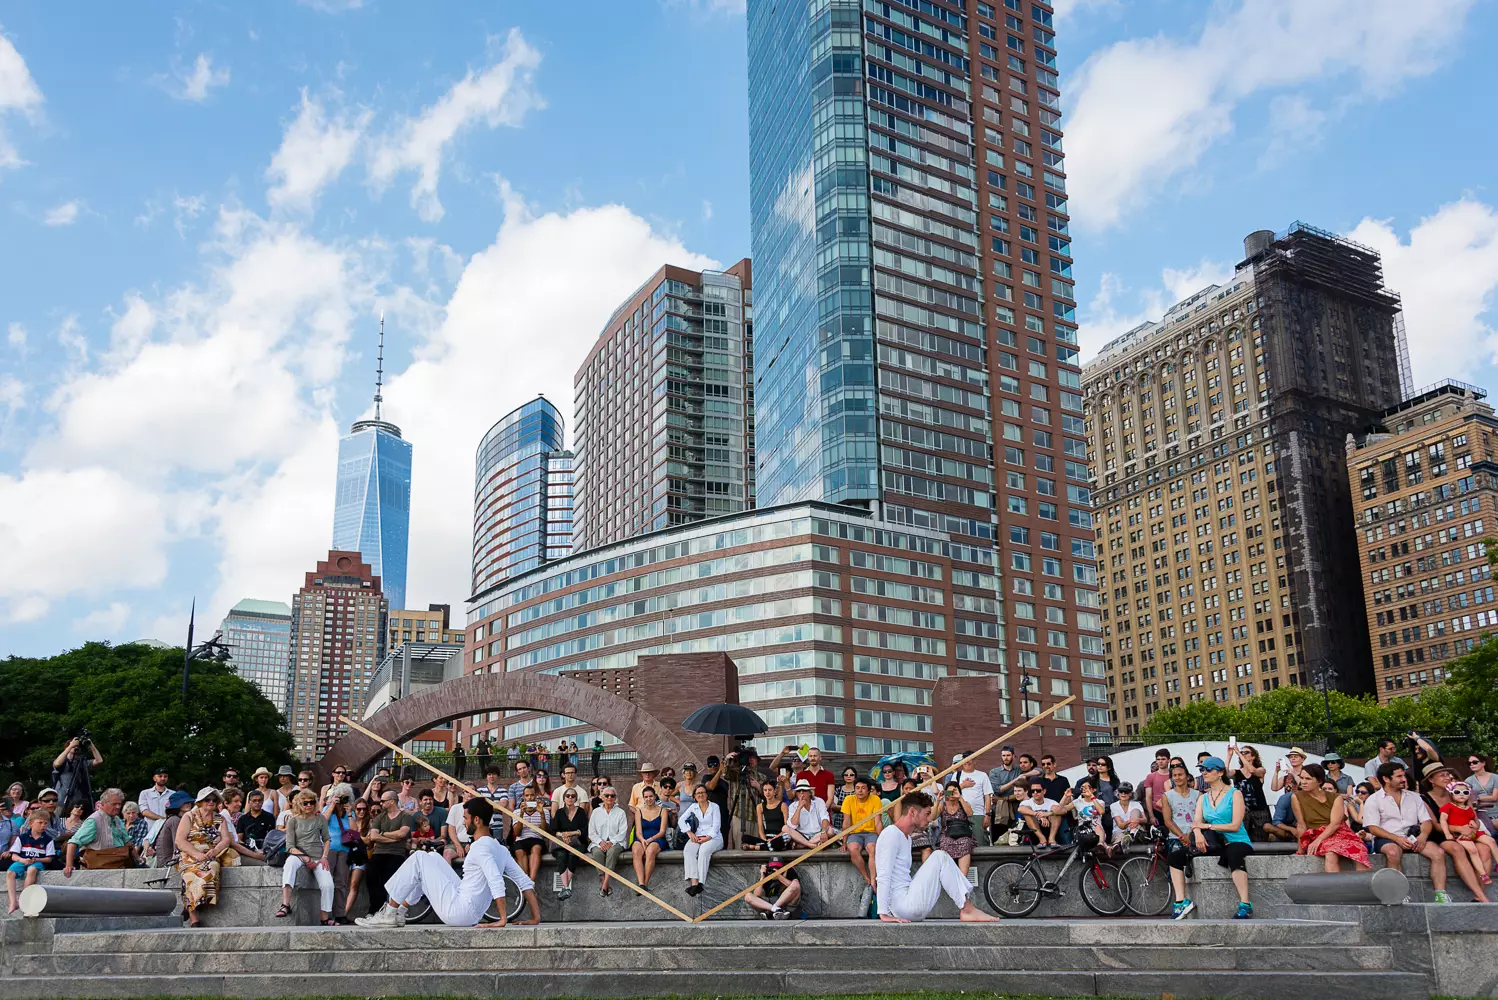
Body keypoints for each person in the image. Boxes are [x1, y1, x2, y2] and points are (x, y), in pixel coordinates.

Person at [356, 796, 539, 927]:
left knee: (419, 857)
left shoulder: (480, 847)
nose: (463, 822)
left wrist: (502, 919)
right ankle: (401, 913)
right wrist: (536, 917)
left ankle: (389, 913)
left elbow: (495, 880)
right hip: (467, 908)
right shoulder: (499, 848)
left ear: (476, 820)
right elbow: (524, 881)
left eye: (465, 819)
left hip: (459, 912)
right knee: (432, 857)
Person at [875, 790, 997, 923]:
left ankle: (967, 907)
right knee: (939, 856)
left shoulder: (906, 838)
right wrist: (884, 913)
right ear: (912, 812)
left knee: (940, 857)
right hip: (904, 906)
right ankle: (967, 909)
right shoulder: (890, 834)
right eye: (927, 814)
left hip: (909, 899)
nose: (930, 819)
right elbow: (883, 875)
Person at [1168, 756, 1254, 920]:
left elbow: (1235, 825)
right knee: (1175, 857)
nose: (1203, 773)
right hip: (1215, 842)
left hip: (1237, 840)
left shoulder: (1234, 794)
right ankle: (1181, 902)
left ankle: (1245, 904)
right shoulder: (1203, 797)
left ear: (1220, 772)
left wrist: (1206, 827)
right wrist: (1198, 833)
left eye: (1208, 769)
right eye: (1201, 770)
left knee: (1234, 854)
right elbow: (1196, 822)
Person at [1363, 763, 1462, 903]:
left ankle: (1440, 894)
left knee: (1438, 853)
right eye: (1399, 776)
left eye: (1404, 775)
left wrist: (1423, 837)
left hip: (1414, 836)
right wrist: (1396, 839)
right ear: (1386, 779)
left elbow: (1426, 821)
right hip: (1388, 837)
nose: (1404, 779)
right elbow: (1372, 828)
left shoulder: (1415, 797)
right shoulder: (1373, 799)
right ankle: (1397, 893)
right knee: (1393, 852)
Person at [1422, 764, 1491, 901]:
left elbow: (1475, 819)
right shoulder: (1425, 799)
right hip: (1443, 835)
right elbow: (1435, 825)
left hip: (1468, 833)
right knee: (1456, 848)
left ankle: (1480, 894)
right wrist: (1458, 829)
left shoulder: (1461, 792)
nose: (1448, 777)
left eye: (1448, 774)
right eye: (1442, 775)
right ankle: (1482, 895)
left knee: (1484, 848)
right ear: (1431, 780)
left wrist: (1471, 828)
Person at [1291, 763, 1370, 873]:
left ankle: (1363, 886)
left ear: (1319, 781)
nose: (1303, 782)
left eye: (1308, 779)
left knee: (1359, 851)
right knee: (1331, 852)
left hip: (1339, 832)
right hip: (1316, 833)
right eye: (1302, 778)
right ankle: (1335, 888)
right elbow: (1301, 824)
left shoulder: (1336, 797)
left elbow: (1335, 824)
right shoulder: (1296, 797)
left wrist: (1319, 840)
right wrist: (1300, 851)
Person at [274, 791, 337, 925]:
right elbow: (290, 846)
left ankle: (324, 917)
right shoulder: (293, 820)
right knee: (289, 865)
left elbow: (327, 839)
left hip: (318, 855)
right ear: (299, 804)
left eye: (312, 802)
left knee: (328, 884)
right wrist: (306, 858)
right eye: (305, 803)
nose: (309, 805)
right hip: (298, 854)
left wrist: (324, 857)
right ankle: (285, 904)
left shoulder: (320, 819)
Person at [176, 788, 235, 927]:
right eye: (208, 799)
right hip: (190, 854)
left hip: (211, 854)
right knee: (190, 875)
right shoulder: (189, 816)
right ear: (200, 802)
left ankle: (189, 904)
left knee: (212, 867)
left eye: (214, 800)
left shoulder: (220, 819)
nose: (211, 802)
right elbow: (180, 840)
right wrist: (196, 854)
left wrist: (215, 850)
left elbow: (226, 839)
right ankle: (193, 916)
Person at [364, 790, 413, 912]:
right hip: (379, 852)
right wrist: (392, 838)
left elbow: (402, 833)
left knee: (389, 880)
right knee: (372, 878)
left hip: (396, 853)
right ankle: (374, 909)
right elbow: (374, 836)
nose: (381, 803)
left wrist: (383, 834)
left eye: (383, 801)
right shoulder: (380, 817)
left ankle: (387, 909)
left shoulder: (405, 816)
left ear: (392, 801)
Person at [1438, 781, 1496, 884]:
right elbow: (1443, 820)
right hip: (1460, 834)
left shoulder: (1468, 808)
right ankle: (1483, 874)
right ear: (1451, 794)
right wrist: (1447, 833)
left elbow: (1472, 819)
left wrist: (1472, 823)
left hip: (1472, 833)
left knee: (1491, 841)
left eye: (1465, 792)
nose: (1461, 794)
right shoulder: (1448, 807)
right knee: (1472, 850)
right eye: (1457, 792)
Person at [63, 788, 128, 875]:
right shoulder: (93, 821)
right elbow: (73, 843)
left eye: (119, 804)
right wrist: (69, 866)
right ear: (103, 804)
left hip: (118, 865)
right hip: (97, 868)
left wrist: (138, 859)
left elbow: (128, 842)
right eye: (114, 804)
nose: (118, 807)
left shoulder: (117, 819)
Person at [5, 808, 55, 914]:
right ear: (31, 823)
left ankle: (24, 899)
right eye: (40, 822)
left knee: (32, 870)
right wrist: (22, 860)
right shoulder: (22, 837)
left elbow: (49, 858)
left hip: (37, 861)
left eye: (45, 823)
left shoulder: (48, 839)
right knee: (10, 872)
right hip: (22, 860)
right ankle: (13, 902)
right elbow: (14, 856)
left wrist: (36, 859)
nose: (43, 825)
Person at [679, 783, 722, 897]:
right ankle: (694, 884)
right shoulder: (693, 807)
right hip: (698, 836)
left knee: (704, 850)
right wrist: (689, 832)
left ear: (707, 794)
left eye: (702, 792)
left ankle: (701, 883)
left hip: (714, 837)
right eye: (698, 793)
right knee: (688, 850)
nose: (700, 795)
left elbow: (716, 826)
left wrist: (707, 838)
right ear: (694, 796)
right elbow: (681, 820)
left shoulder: (715, 807)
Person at [842, 776, 883, 893]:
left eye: (863, 788)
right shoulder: (849, 800)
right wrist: (844, 841)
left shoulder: (875, 799)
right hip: (855, 833)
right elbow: (846, 822)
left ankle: (874, 879)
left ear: (869, 790)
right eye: (857, 788)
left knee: (873, 848)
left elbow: (878, 822)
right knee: (853, 849)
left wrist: (882, 838)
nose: (860, 791)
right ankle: (866, 877)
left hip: (871, 832)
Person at [588, 784, 627, 897]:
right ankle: (605, 882)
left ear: (615, 798)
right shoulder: (596, 812)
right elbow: (591, 831)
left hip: (616, 842)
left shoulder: (621, 812)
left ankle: (604, 885)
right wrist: (600, 842)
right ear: (602, 797)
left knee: (612, 852)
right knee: (596, 852)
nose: (610, 798)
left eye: (612, 796)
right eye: (607, 795)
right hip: (599, 842)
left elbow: (622, 832)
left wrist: (611, 842)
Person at [550, 786, 589, 899]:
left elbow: (584, 830)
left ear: (576, 799)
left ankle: (565, 888)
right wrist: (563, 835)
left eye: (573, 796)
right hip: (562, 842)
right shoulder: (559, 812)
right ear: (564, 798)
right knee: (562, 855)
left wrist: (571, 834)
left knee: (573, 855)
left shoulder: (581, 812)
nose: (570, 798)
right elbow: (553, 830)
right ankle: (566, 887)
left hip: (578, 842)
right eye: (568, 796)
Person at [51, 736, 103, 816]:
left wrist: (91, 745)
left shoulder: (81, 762)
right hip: (61, 801)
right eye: (74, 746)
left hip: (78, 803)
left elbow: (99, 761)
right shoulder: (64, 761)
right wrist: (71, 746)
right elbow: (57, 763)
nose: (76, 747)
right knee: (59, 823)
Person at [1227, 745, 1270, 842]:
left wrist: (1238, 753)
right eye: (1242, 753)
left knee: (1260, 839)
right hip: (1242, 811)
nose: (1243, 754)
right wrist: (1229, 756)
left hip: (1259, 811)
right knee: (1243, 837)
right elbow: (1225, 774)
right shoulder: (1236, 772)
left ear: (1253, 756)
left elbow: (1252, 770)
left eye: (1246, 752)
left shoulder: (1260, 770)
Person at [935, 783, 977, 877]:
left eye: (953, 791)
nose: (951, 794)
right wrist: (937, 801)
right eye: (949, 791)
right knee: (945, 844)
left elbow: (969, 814)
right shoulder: (943, 805)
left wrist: (960, 798)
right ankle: (949, 879)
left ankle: (963, 879)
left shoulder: (963, 803)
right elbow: (932, 816)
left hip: (963, 834)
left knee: (965, 843)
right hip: (947, 834)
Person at [951, 754, 993, 846]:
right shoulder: (956, 775)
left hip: (978, 814)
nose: (967, 762)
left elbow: (987, 796)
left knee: (979, 843)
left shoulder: (982, 775)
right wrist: (962, 785)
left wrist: (987, 815)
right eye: (965, 759)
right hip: (959, 814)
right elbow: (947, 794)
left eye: (970, 759)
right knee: (961, 844)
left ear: (975, 761)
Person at [631, 785, 669, 889]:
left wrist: (650, 840)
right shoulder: (639, 811)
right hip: (642, 838)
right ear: (643, 798)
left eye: (651, 796)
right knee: (636, 851)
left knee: (650, 851)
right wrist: (643, 840)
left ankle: (646, 883)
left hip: (657, 838)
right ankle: (641, 883)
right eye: (646, 797)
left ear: (655, 796)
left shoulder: (663, 811)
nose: (649, 799)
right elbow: (638, 831)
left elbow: (662, 831)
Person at [511, 785, 549, 883]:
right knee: (519, 851)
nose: (529, 798)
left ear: (535, 796)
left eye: (532, 795)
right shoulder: (517, 812)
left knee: (536, 848)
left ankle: (531, 882)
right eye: (527, 795)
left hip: (537, 838)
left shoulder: (544, 811)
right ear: (523, 797)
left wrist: (542, 814)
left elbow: (544, 832)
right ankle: (526, 882)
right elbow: (517, 833)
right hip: (521, 839)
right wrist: (521, 815)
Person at [1018, 780, 1072, 848]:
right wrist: (1038, 815)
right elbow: (1020, 809)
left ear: (1044, 791)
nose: (1035, 793)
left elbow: (1063, 811)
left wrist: (1047, 814)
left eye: (1038, 790)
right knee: (1027, 813)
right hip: (1034, 831)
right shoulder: (1027, 802)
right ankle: (1042, 839)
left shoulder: (1051, 802)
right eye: (1033, 791)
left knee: (1056, 813)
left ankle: (1051, 840)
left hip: (1049, 829)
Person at [987, 747, 1025, 841]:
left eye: (1008, 755)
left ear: (1013, 756)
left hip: (1016, 806)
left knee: (1017, 834)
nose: (1006, 758)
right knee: (998, 836)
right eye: (1003, 755)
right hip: (999, 808)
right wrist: (1016, 780)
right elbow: (997, 790)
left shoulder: (1019, 770)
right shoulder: (994, 771)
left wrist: (1005, 797)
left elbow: (1038, 770)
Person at [1163, 763, 1201, 852]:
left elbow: (1202, 818)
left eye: (1180, 775)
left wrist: (1190, 835)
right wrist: (1182, 836)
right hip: (1176, 837)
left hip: (1196, 835)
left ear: (1187, 776)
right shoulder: (1167, 796)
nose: (1177, 778)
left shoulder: (1198, 794)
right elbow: (1168, 821)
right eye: (1174, 775)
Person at [746, 779, 791, 851]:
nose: (767, 792)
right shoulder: (760, 807)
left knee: (787, 837)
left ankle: (760, 847)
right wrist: (765, 839)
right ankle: (767, 845)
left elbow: (787, 827)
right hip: (767, 836)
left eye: (770, 790)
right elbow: (760, 827)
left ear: (774, 791)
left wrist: (774, 838)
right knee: (745, 838)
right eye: (765, 790)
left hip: (779, 836)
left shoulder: (783, 805)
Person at [786, 779, 831, 848]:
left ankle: (803, 845)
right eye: (798, 791)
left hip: (818, 833)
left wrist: (823, 831)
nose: (801, 793)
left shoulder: (819, 801)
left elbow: (825, 818)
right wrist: (799, 808)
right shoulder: (793, 806)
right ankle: (811, 845)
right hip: (802, 836)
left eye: (804, 790)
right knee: (785, 828)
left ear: (810, 792)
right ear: (796, 793)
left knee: (830, 831)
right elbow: (793, 826)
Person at [1139, 749, 1172, 831]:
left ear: (1169, 760)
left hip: (1172, 809)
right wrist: (1151, 816)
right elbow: (1148, 797)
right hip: (1156, 810)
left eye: (1163, 759)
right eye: (1158, 759)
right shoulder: (1151, 777)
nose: (1160, 761)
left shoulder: (1174, 775)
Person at [1110, 783, 1147, 849]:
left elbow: (1145, 820)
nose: (1123, 794)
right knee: (1121, 836)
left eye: (1126, 792)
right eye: (1121, 791)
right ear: (1118, 793)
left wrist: (1137, 820)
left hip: (1135, 829)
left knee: (1135, 810)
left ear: (1130, 793)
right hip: (1119, 832)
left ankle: (1132, 834)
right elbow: (1121, 826)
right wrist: (1130, 821)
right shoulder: (1113, 806)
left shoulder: (1136, 804)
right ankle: (1123, 841)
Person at [1468, 754, 1498, 835]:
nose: (1471, 764)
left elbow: (1494, 797)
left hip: (1495, 812)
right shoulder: (1468, 780)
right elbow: (1467, 798)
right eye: (1469, 763)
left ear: (1483, 763)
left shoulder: (1495, 778)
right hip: (1480, 814)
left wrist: (1476, 797)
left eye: (1474, 762)